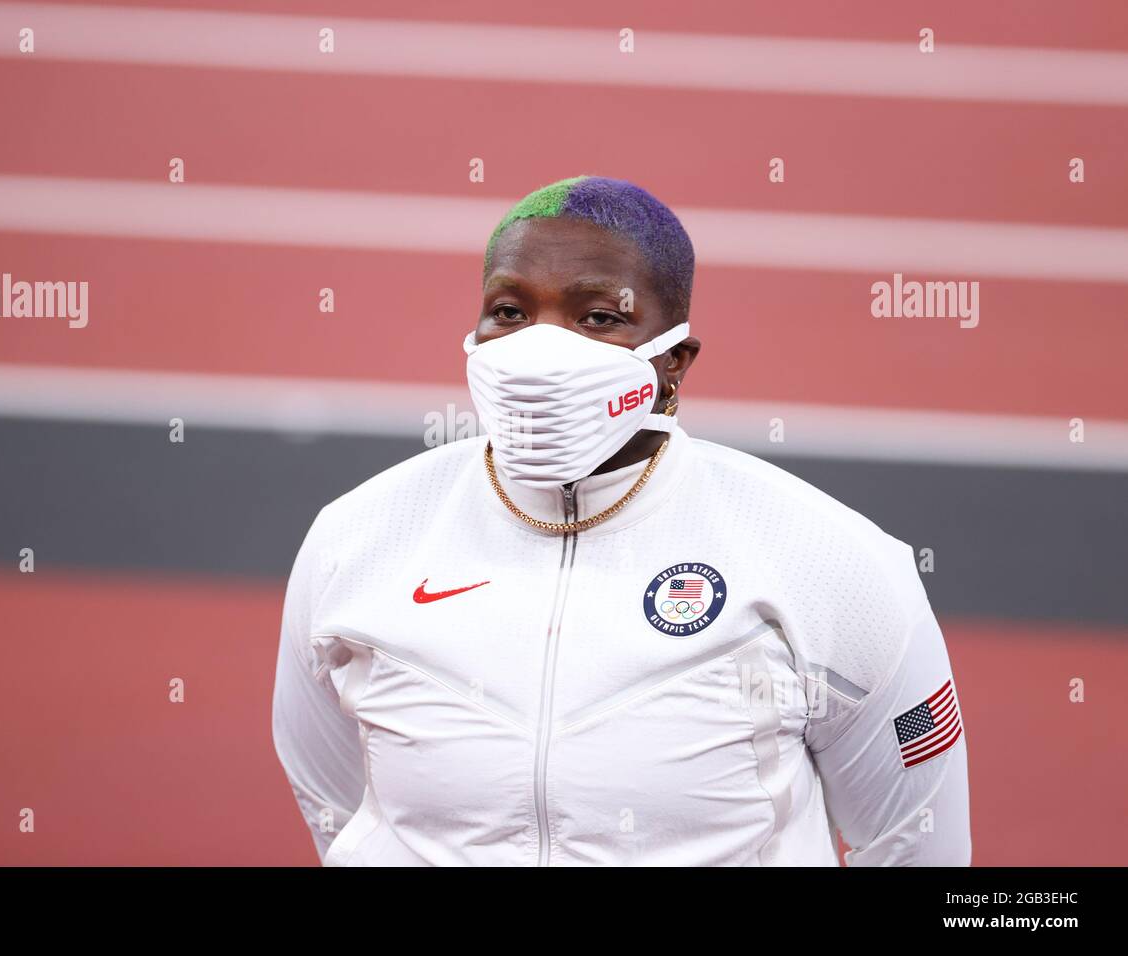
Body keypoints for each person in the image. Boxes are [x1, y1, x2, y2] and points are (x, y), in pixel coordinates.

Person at [270, 175, 970, 866]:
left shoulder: (830, 561)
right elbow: (338, 806)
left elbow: (916, 840)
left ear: (673, 363)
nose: (538, 352)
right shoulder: (357, 539)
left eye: (598, 317)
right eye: (510, 311)